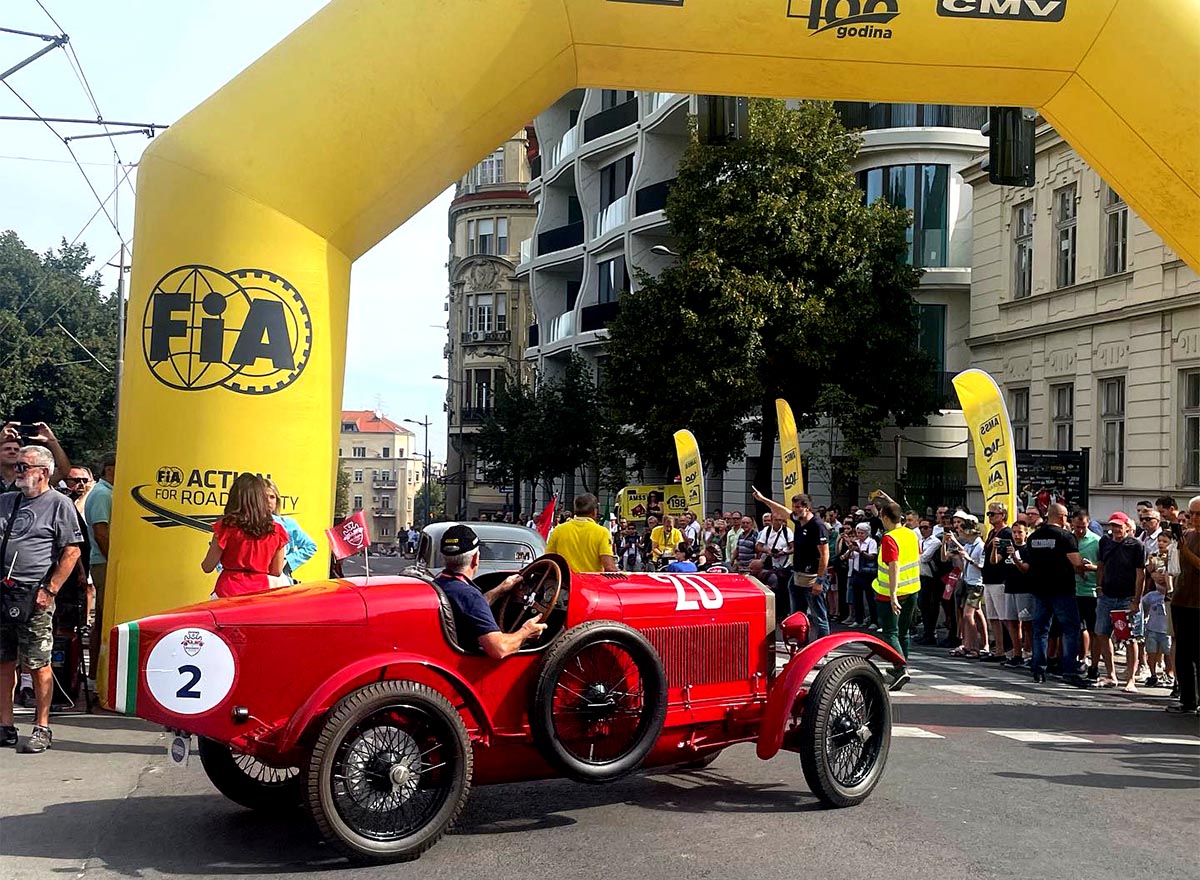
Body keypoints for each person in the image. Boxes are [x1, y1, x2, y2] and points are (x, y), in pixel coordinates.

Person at [0, 445, 84, 753]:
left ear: (43, 473)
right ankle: (5, 725)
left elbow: (72, 550)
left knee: (38, 662)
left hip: (34, 594)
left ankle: (42, 726)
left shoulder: (59, 504)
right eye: (17, 465)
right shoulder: (7, 501)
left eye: (24, 466)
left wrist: (49, 590)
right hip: (4, 591)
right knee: (4, 661)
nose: (18, 471)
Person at [433, 525, 545, 659]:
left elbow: (468, 609)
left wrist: (499, 590)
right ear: (475, 559)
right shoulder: (469, 595)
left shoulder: (439, 584)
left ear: (443, 558)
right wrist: (526, 632)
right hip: (471, 668)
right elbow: (499, 649)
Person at [1019, 502, 1087, 686]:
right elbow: (1076, 562)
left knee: (1040, 630)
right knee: (1070, 630)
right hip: (1062, 590)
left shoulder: (1034, 537)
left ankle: (1038, 669)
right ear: (1063, 517)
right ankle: (1070, 670)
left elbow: (1029, 562)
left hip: (1040, 589)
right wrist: (1083, 567)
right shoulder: (1066, 536)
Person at [753, 488, 829, 637]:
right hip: (797, 576)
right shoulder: (798, 519)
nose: (794, 510)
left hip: (812, 577)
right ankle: (801, 644)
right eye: (794, 507)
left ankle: (823, 648)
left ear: (807, 508)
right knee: (797, 615)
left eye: (798, 507)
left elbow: (825, 554)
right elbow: (781, 510)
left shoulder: (817, 526)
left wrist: (819, 581)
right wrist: (762, 499)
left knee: (818, 616)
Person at [201, 473, 288, 598]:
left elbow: (207, 566)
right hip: (259, 593)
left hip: (227, 591)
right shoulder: (277, 530)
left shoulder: (225, 527)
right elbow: (276, 571)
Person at [1095, 511, 1146, 689]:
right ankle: (1111, 675)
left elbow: (1141, 575)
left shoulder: (1136, 545)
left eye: (1119, 525)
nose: (1116, 529)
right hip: (1107, 595)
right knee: (1102, 633)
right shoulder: (1105, 542)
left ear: (1127, 526)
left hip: (1126, 598)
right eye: (1113, 526)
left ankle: (1131, 679)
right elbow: (1101, 565)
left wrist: (1136, 600)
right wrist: (1099, 587)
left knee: (1129, 638)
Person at [872, 502, 919, 687]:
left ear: (884, 517)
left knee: (890, 631)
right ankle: (902, 665)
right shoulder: (910, 534)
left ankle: (900, 668)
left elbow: (894, 565)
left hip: (890, 593)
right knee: (904, 631)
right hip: (912, 589)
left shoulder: (889, 538)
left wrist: (892, 595)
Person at [83, 451, 115, 686]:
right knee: (103, 619)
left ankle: (97, 675)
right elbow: (100, 531)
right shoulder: (103, 494)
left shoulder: (106, 492)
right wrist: (113, 560)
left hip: (103, 561)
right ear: (109, 469)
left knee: (104, 619)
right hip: (104, 562)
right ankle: (94, 676)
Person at [1167, 496, 1200, 714]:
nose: (1194, 518)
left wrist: (1184, 550)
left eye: (1199, 514)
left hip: (1198, 605)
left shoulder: (1187, 541)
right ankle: (1187, 699)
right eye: (1192, 514)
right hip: (1181, 601)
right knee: (1183, 654)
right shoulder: (1187, 535)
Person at [945, 511, 986, 657]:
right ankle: (968, 645)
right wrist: (959, 557)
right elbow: (963, 566)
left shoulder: (980, 546)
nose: (963, 535)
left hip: (976, 583)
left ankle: (975, 647)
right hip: (968, 581)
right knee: (965, 615)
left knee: (969, 615)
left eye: (965, 533)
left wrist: (968, 558)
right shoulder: (968, 545)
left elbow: (981, 566)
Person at [263, 478, 317, 584]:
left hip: (280, 580)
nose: (268, 501)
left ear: (277, 501)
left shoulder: (287, 524)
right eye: (264, 497)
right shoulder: (246, 523)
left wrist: (287, 562)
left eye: (272, 497)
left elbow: (311, 546)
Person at [545, 494, 617, 573]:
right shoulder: (602, 532)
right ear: (594, 511)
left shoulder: (558, 530)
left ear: (575, 510)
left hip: (566, 582)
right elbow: (609, 567)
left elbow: (548, 560)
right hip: (591, 583)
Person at [981, 502, 1013, 663]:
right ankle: (999, 650)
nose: (990, 517)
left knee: (1004, 617)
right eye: (989, 514)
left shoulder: (1006, 533)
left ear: (1002, 515)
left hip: (1000, 579)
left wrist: (995, 550)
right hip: (988, 578)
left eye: (992, 514)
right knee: (993, 616)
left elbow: (997, 559)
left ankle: (1014, 649)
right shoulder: (992, 532)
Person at [1071, 509, 1101, 680]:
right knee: (1075, 628)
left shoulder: (1096, 541)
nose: (1080, 530)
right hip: (1072, 590)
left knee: (1093, 629)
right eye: (1077, 527)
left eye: (1083, 527)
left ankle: (1088, 660)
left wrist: (1092, 568)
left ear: (1088, 523)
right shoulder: (1069, 539)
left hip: (1090, 591)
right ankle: (1074, 659)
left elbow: (1103, 566)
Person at [756, 511, 793, 618]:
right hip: (770, 565)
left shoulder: (787, 531)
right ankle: (774, 613)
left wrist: (783, 552)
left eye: (780, 520)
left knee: (784, 591)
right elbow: (758, 546)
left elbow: (793, 547)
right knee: (771, 589)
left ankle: (784, 613)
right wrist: (768, 551)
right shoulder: (766, 531)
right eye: (776, 520)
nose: (778, 522)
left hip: (784, 566)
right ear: (772, 520)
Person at [915, 518, 943, 645]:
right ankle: (926, 633)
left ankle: (930, 634)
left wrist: (916, 556)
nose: (923, 530)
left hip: (931, 578)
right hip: (921, 576)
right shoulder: (920, 541)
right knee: (923, 606)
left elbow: (925, 557)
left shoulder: (935, 542)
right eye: (921, 528)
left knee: (931, 607)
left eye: (926, 528)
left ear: (932, 529)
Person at [849, 522, 879, 630]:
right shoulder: (856, 542)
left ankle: (874, 620)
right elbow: (851, 556)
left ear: (867, 533)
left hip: (867, 573)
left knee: (870, 598)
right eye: (858, 533)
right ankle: (858, 619)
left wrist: (860, 551)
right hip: (857, 572)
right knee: (857, 598)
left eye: (862, 533)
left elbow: (872, 557)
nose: (860, 535)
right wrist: (851, 550)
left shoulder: (871, 542)